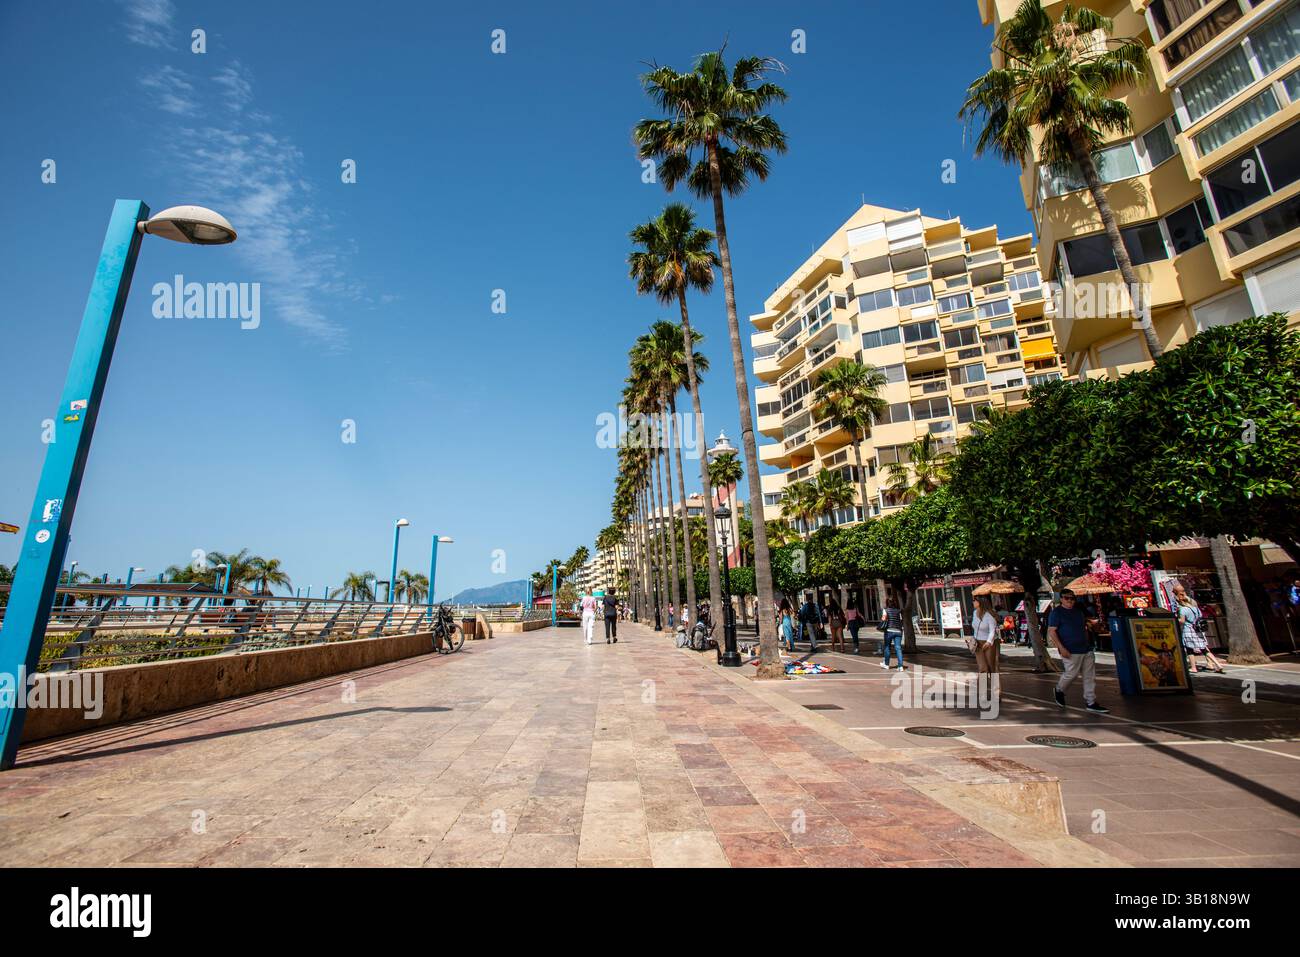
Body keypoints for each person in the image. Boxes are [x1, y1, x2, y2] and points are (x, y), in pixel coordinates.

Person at [1048, 588, 1109, 712]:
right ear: (1061, 599)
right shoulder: (1056, 613)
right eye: (1067, 598)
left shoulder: (1078, 612)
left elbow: (1084, 628)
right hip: (1070, 649)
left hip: (1086, 648)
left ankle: (1091, 702)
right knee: (1071, 674)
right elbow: (1052, 631)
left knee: (1089, 676)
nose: (1070, 600)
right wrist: (1061, 648)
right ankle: (1060, 689)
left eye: (1072, 598)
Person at [1171, 582, 1224, 674]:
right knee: (1204, 649)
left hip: (1188, 631)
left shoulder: (1182, 609)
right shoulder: (1195, 608)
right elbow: (1200, 616)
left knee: (1189, 649)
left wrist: (1175, 619)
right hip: (1198, 630)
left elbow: (1182, 621)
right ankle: (1218, 664)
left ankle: (1193, 667)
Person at [972, 595, 1001, 679]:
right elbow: (975, 628)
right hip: (977, 643)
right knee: (982, 667)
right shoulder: (974, 613)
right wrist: (973, 640)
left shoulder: (989, 615)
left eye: (975, 600)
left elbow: (992, 631)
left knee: (992, 667)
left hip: (990, 643)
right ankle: (983, 689)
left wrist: (988, 642)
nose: (973, 602)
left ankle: (995, 689)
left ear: (980, 602)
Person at [879, 597, 904, 671]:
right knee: (898, 648)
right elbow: (901, 620)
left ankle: (886, 664)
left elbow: (883, 619)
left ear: (887, 603)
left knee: (887, 647)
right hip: (898, 631)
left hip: (889, 630)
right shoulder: (899, 610)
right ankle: (900, 666)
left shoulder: (885, 610)